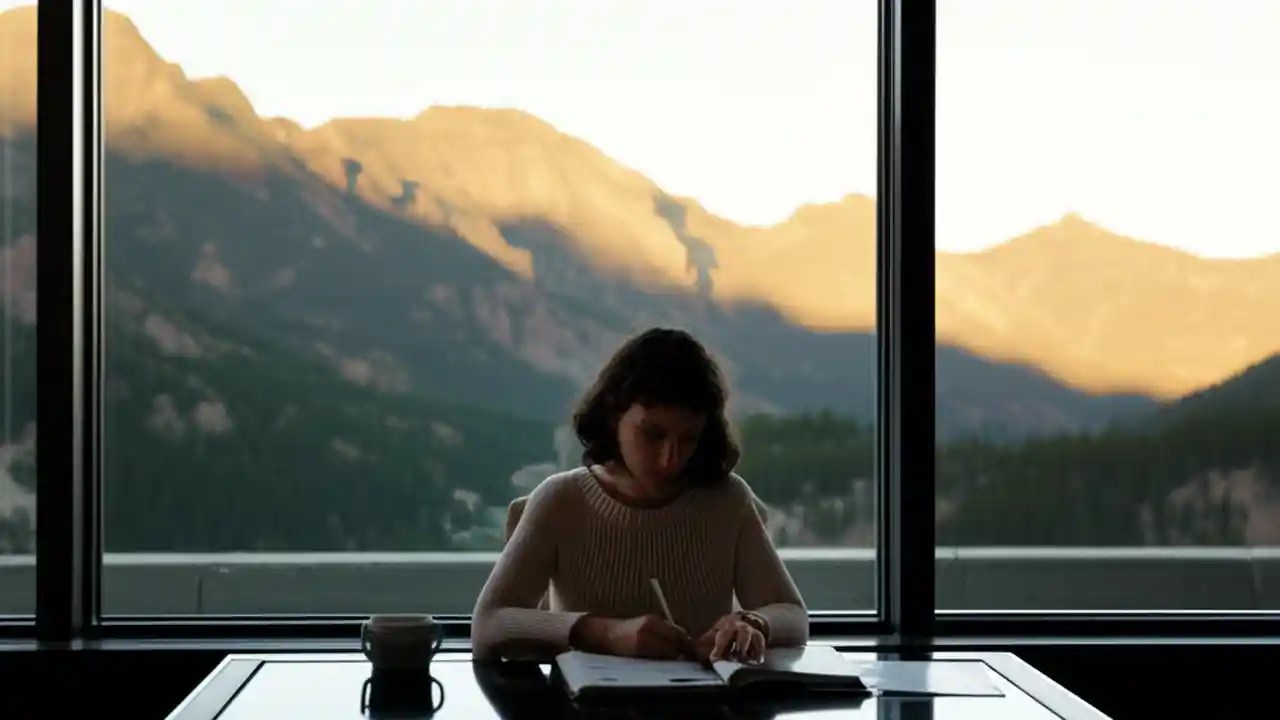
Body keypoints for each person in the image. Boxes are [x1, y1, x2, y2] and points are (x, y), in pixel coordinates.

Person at [471, 327, 808, 663]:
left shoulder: (727, 501)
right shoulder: (562, 500)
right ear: (614, 416)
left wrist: (753, 622)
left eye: (689, 437)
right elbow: (488, 624)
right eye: (652, 434)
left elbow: (792, 614)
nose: (670, 458)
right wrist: (605, 633)